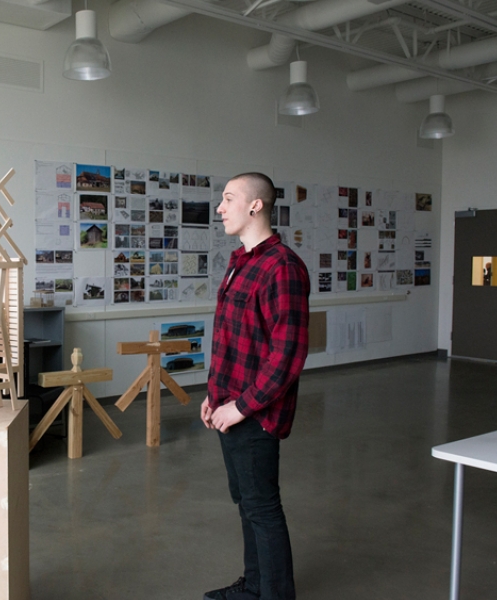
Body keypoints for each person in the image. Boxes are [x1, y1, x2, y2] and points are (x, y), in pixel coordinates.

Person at [200, 173, 310, 600]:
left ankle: (275, 595)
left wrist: (241, 407)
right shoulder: (239, 262)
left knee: (262, 508)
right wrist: (213, 394)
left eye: (229, 199)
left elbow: (287, 357)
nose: (220, 208)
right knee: (246, 503)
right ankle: (256, 586)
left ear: (255, 206)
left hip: (254, 415)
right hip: (228, 408)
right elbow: (229, 338)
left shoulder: (282, 267)